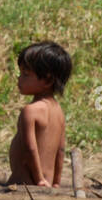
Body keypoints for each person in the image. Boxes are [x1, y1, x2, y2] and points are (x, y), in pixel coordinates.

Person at [9, 40, 70, 187]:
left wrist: (38, 180)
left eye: (25, 74)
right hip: (46, 183)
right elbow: (60, 150)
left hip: (26, 184)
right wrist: (56, 181)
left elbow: (30, 148)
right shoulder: (58, 111)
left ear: (47, 80)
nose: (19, 78)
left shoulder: (30, 111)